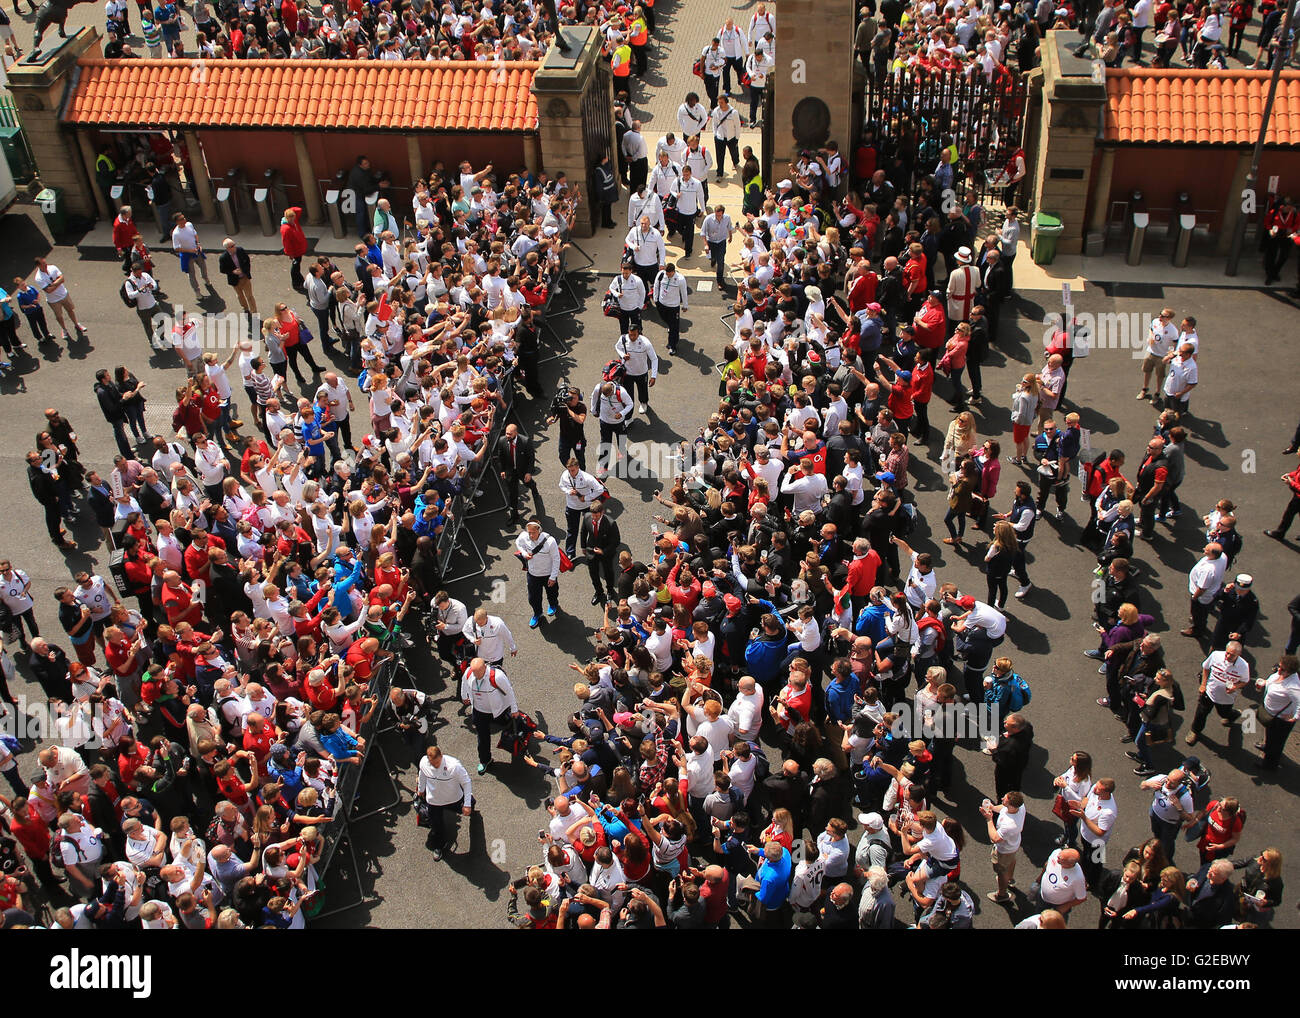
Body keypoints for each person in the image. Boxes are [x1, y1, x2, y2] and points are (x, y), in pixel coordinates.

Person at [416, 745, 473, 861]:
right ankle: (439, 846)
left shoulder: (454, 766)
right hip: (434, 801)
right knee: (436, 827)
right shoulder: (423, 763)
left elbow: (466, 782)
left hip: (454, 798)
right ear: (428, 759)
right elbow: (422, 775)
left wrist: (467, 804)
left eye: (437, 763)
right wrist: (421, 790)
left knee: (471, 804)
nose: (435, 766)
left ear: (441, 756)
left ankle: (471, 802)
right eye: (432, 763)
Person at [515, 521, 561, 629]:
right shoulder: (524, 537)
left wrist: (553, 577)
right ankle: (537, 613)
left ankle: (553, 604)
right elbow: (518, 543)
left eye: (533, 533)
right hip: (533, 574)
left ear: (539, 531)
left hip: (548, 574)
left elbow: (556, 559)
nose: (531, 535)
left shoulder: (550, 541)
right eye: (529, 532)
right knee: (533, 598)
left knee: (552, 592)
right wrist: (524, 553)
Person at [33, 257, 87, 343]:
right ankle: (64, 329)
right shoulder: (38, 278)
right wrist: (58, 282)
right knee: (59, 316)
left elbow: (62, 279)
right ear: (38, 266)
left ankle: (76, 324)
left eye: (45, 263)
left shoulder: (52, 267)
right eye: (43, 264)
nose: (46, 265)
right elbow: (48, 290)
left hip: (64, 295)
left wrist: (53, 284)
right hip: (53, 300)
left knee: (70, 310)